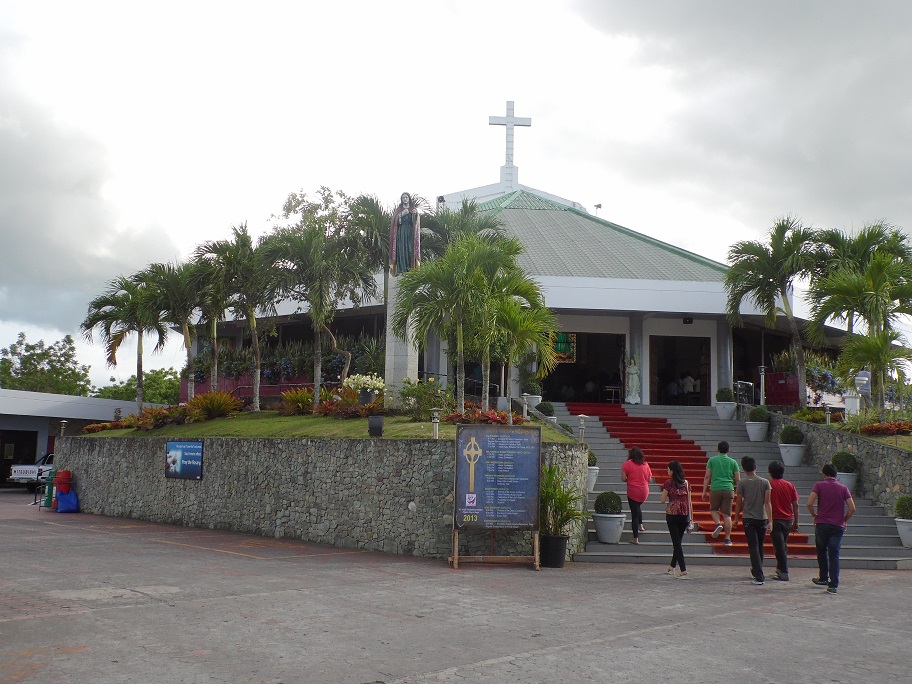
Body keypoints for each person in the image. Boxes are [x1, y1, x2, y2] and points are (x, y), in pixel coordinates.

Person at [807, 463, 856, 594]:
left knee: (821, 550)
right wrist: (844, 519)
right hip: (837, 526)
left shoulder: (819, 485)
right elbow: (852, 508)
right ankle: (833, 585)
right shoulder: (843, 488)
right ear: (836, 475)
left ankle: (823, 577)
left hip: (822, 523)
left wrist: (814, 515)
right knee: (834, 554)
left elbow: (809, 503)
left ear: (824, 474)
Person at [733, 456, 772, 585]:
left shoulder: (742, 483)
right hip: (762, 517)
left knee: (753, 546)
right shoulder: (765, 482)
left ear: (743, 468)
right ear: (755, 467)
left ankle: (759, 574)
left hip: (748, 517)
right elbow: (767, 502)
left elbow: (739, 502)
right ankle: (757, 570)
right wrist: (770, 520)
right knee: (760, 545)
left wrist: (736, 517)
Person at [702, 441, 741, 546]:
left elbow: (707, 476)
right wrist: (740, 492)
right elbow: (738, 479)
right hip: (729, 489)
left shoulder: (712, 460)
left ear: (718, 449)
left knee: (713, 509)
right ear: (728, 450)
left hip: (715, 488)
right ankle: (727, 539)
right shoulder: (733, 462)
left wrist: (704, 491)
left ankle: (718, 523)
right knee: (727, 515)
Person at [768, 460, 799, 581]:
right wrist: (796, 521)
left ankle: (784, 571)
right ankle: (780, 568)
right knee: (782, 544)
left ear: (770, 473)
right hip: (788, 519)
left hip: (775, 518)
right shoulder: (790, 485)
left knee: (779, 546)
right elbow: (795, 504)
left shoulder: (769, 485)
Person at [661, 460, 693, 578]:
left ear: (672, 471)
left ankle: (683, 568)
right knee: (678, 541)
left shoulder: (668, 483)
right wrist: (691, 518)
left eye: (668, 469)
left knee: (676, 542)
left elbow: (662, 500)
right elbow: (689, 501)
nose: (667, 471)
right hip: (684, 514)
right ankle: (672, 565)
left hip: (672, 514)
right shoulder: (686, 483)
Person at [621, 446, 654, 545]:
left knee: (634, 514)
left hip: (633, 491)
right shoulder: (645, 464)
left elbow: (623, 478)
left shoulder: (627, 464)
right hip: (644, 492)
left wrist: (629, 479)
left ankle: (635, 539)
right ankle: (641, 525)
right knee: (638, 506)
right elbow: (650, 479)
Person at [389, 192, 421, 275]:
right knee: (401, 250)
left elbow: (416, 222)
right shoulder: (398, 210)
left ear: (409, 199)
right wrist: (401, 215)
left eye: (406, 197)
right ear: (401, 199)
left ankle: (410, 269)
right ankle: (401, 269)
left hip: (410, 233)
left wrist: (415, 215)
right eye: (403, 197)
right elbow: (394, 222)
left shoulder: (413, 209)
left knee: (410, 249)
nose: (405, 199)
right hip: (401, 232)